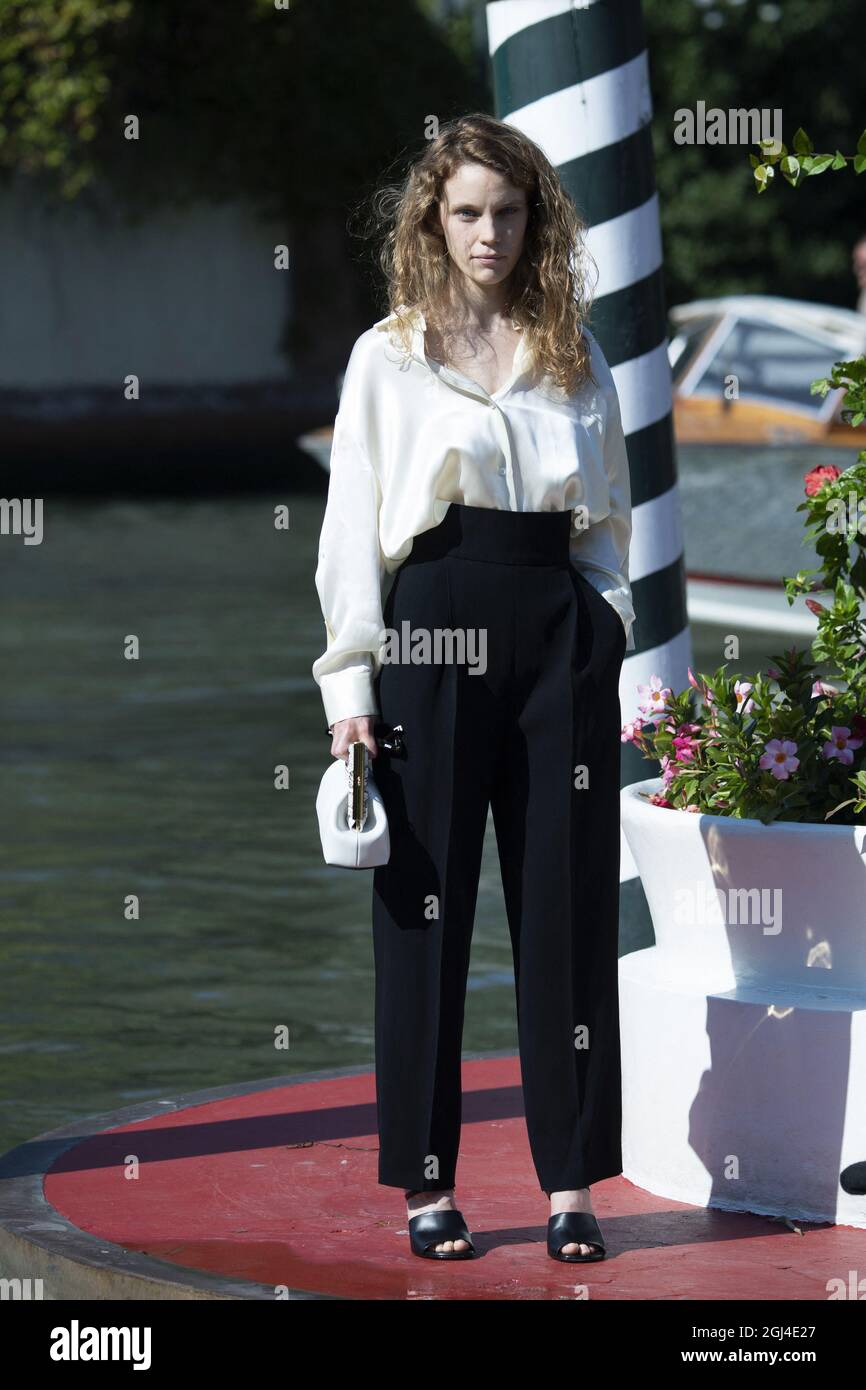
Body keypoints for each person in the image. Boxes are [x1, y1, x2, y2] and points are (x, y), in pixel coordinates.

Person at [312, 112, 635, 1262]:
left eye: (506, 212)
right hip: (431, 625)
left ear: (532, 218)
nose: (486, 233)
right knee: (422, 913)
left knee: (566, 912)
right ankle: (427, 1187)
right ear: (431, 222)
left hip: (557, 630)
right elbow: (353, 531)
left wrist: (603, 625)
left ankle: (568, 1188)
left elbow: (607, 524)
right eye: (464, 213)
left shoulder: (573, 353)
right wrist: (350, 686)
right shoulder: (384, 356)